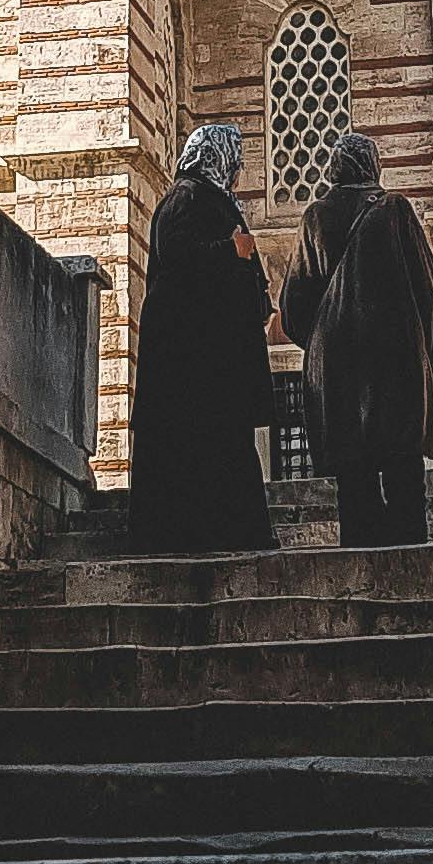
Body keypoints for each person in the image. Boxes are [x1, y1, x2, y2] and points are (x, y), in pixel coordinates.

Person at [276, 132, 433, 548]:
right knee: (405, 476)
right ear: (373, 166)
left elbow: (294, 307)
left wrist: (324, 345)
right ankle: (412, 574)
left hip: (339, 372)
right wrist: (424, 352)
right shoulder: (395, 210)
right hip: (397, 365)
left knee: (354, 484)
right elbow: (429, 295)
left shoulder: (316, 216)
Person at [125, 122, 278, 555]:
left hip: (209, 360)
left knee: (220, 444)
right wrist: (232, 252)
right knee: (198, 445)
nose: (240, 171)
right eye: (236, 161)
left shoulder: (211, 201)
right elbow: (179, 263)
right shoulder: (186, 199)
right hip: (191, 362)